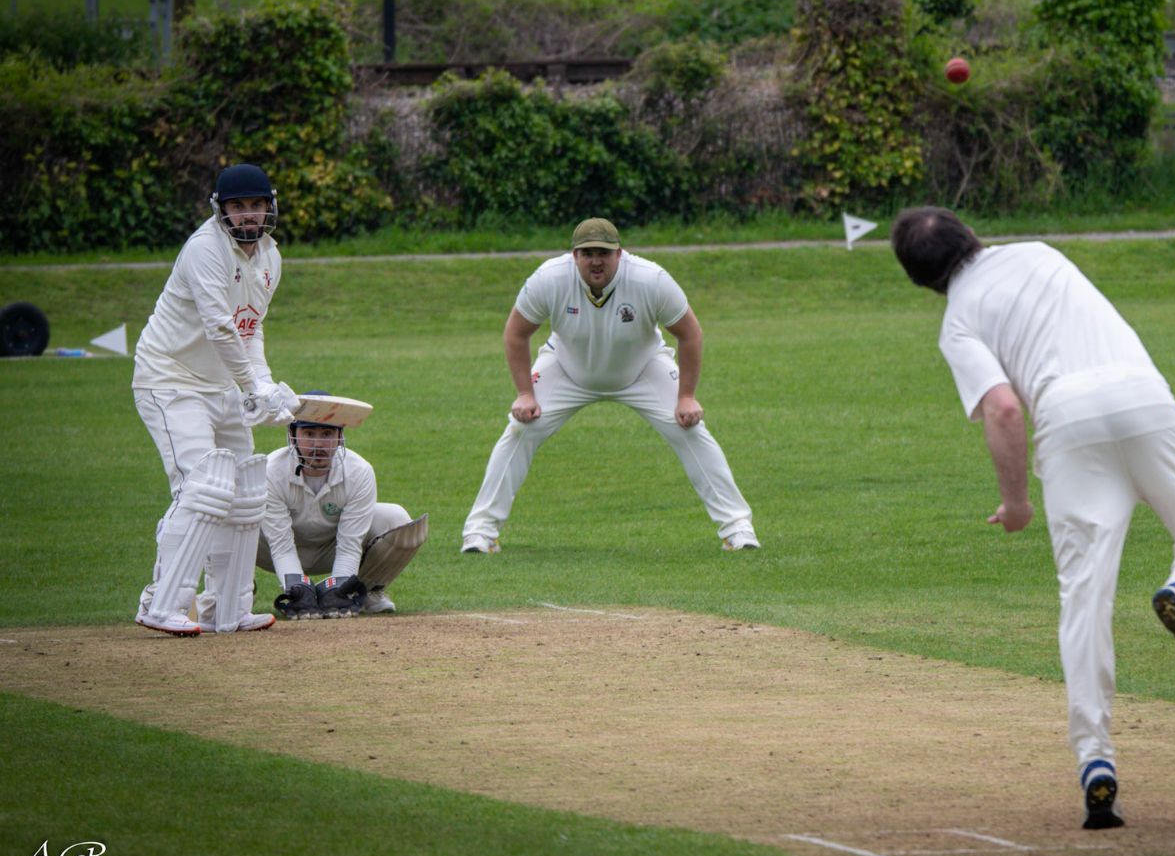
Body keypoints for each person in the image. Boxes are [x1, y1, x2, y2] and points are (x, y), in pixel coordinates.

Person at [890, 207, 1175, 831]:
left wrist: (1017, 502)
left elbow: (1003, 409)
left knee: (1084, 597)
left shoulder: (958, 321)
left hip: (1066, 423)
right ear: (972, 233)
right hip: (1142, 396)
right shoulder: (1040, 252)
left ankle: (1096, 761)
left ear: (922, 282)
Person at [461, 218, 758, 554]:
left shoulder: (651, 279)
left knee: (689, 428)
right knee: (520, 428)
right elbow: (516, 333)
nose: (596, 261)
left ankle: (737, 529)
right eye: (587, 253)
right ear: (574, 256)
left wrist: (686, 396)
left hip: (642, 367)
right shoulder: (549, 278)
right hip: (567, 367)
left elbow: (690, 333)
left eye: (603, 253)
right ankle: (481, 532)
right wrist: (525, 394)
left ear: (620, 253)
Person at [131, 164, 300, 636]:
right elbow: (220, 328)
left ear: (269, 207)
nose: (248, 214)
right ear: (221, 209)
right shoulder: (204, 249)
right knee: (203, 486)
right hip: (170, 379)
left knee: (245, 490)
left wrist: (265, 385)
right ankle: (160, 603)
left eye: (256, 205)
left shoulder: (270, 257)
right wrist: (253, 387)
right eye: (238, 206)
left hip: (221, 384)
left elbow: (250, 326)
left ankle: (225, 609)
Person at [259, 401, 427, 619]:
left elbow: (350, 544)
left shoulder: (359, 471)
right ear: (293, 435)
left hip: (331, 548)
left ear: (339, 437)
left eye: (327, 434)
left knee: (398, 519)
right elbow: (280, 545)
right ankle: (238, 592)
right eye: (309, 434)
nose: (318, 444)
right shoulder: (271, 470)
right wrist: (296, 589)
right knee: (232, 516)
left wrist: (339, 590)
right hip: (268, 551)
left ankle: (365, 590)